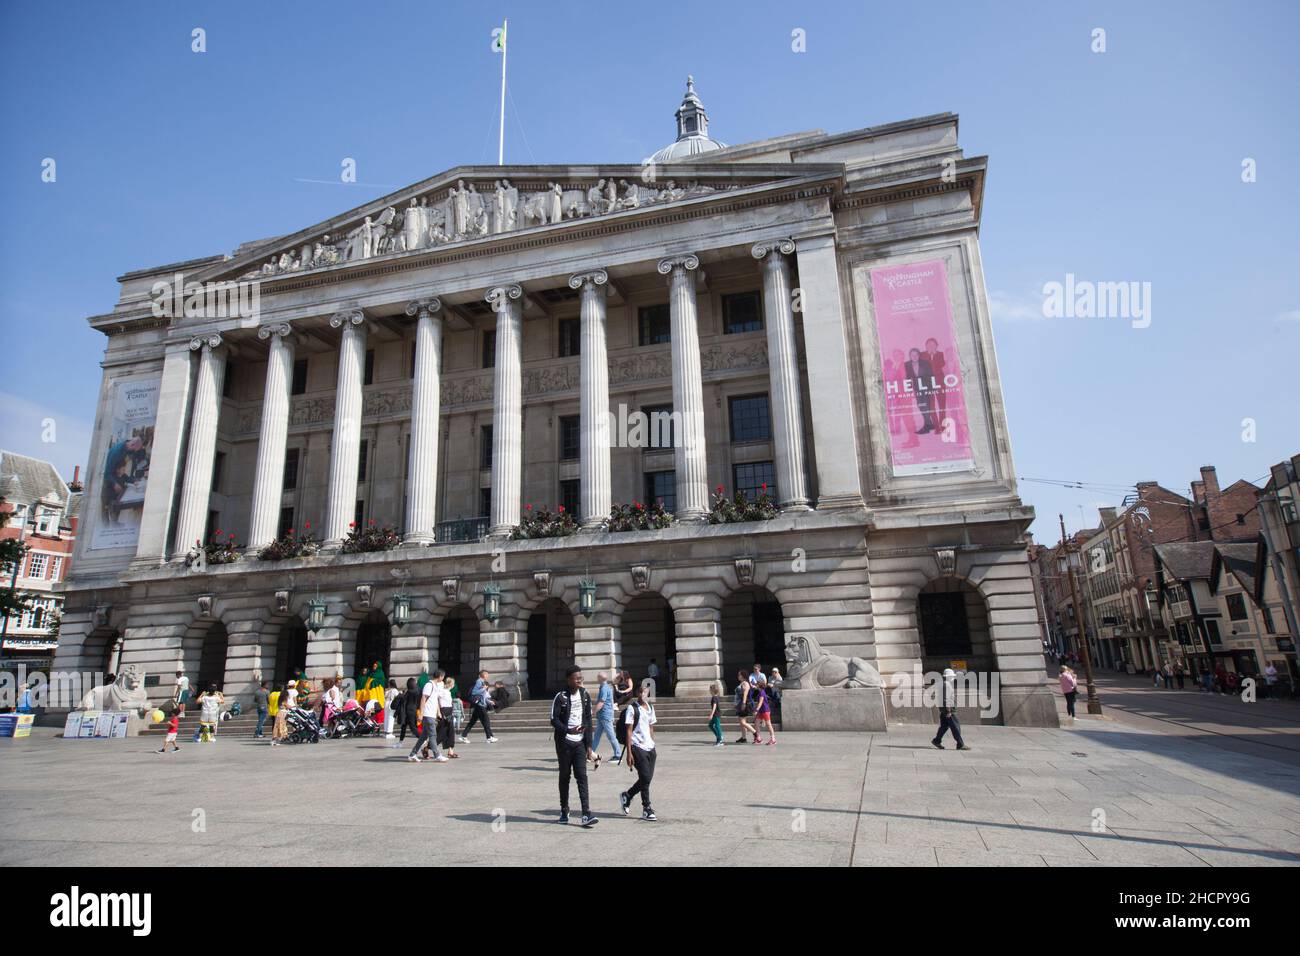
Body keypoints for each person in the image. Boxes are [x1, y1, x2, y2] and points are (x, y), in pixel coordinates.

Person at [550, 665, 599, 827]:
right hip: (564, 742)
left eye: (581, 678)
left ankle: (586, 813)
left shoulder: (585, 695)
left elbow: (588, 720)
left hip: (579, 743)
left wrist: (589, 746)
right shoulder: (560, 697)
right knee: (564, 776)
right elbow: (554, 719)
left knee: (582, 777)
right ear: (568, 679)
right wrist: (567, 729)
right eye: (576, 678)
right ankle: (564, 809)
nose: (579, 680)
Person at [619, 681, 658, 821]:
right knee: (645, 777)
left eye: (646, 692)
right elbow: (629, 731)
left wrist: (653, 744)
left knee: (646, 779)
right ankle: (646, 808)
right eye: (641, 692)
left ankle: (628, 795)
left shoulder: (650, 707)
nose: (643, 695)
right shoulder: (632, 708)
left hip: (650, 748)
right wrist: (629, 752)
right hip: (637, 747)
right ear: (637, 693)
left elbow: (651, 727)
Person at [409, 673, 447, 763]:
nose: (443, 679)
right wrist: (421, 714)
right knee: (433, 735)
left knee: (423, 736)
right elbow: (423, 699)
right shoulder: (429, 685)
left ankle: (412, 754)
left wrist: (438, 712)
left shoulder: (435, 686)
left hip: (431, 714)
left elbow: (435, 700)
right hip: (428, 714)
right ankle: (437, 755)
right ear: (440, 676)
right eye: (443, 677)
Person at [931, 668, 969, 751]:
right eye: (951, 676)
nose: (953, 678)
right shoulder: (947, 685)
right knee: (955, 726)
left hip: (944, 710)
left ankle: (937, 740)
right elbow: (946, 699)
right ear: (948, 677)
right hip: (949, 710)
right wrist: (948, 711)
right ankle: (960, 744)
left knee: (944, 727)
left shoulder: (943, 684)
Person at [461, 670, 499, 743]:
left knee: (473, 721)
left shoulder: (481, 682)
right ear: (484, 675)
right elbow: (474, 692)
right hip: (480, 705)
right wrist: (484, 688)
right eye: (487, 675)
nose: (488, 676)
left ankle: (464, 735)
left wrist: (489, 701)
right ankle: (489, 737)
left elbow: (482, 696)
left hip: (480, 704)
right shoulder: (479, 681)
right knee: (486, 720)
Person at [591, 672, 621, 763]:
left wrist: (593, 711)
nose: (596, 678)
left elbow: (601, 702)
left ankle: (618, 755)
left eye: (597, 677)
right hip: (602, 715)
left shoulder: (604, 688)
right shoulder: (606, 687)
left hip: (605, 715)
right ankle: (590, 754)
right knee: (596, 735)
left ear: (600, 678)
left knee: (611, 735)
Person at [435, 672, 457, 758]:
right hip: (444, 711)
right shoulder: (443, 691)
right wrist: (439, 712)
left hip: (449, 711)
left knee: (451, 731)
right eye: (453, 683)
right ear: (451, 684)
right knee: (441, 733)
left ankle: (450, 751)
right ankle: (427, 747)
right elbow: (436, 699)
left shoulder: (448, 692)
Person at [734, 669, 757, 744]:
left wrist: (743, 704)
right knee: (742, 722)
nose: (738, 676)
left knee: (743, 722)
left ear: (743, 676)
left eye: (739, 675)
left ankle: (755, 733)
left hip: (744, 704)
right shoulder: (742, 683)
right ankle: (743, 738)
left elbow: (745, 694)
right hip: (740, 704)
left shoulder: (745, 684)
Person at [396, 677, 420, 747]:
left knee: (412, 728)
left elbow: (404, 700)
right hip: (413, 711)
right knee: (404, 726)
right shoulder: (417, 691)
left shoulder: (409, 692)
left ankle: (423, 739)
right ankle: (400, 742)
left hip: (408, 711)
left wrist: (401, 694)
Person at [753, 678, 776, 745]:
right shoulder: (760, 692)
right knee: (756, 723)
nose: (755, 685)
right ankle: (759, 738)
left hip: (765, 710)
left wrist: (756, 710)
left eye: (756, 684)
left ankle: (773, 739)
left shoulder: (762, 692)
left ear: (759, 685)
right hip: (761, 711)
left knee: (769, 724)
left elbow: (760, 702)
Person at [707, 682, 724, 747]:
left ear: (712, 690)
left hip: (716, 714)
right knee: (710, 725)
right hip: (716, 714)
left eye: (710, 689)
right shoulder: (716, 697)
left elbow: (714, 706)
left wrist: (711, 714)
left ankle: (720, 740)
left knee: (717, 726)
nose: (709, 691)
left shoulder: (714, 698)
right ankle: (718, 736)